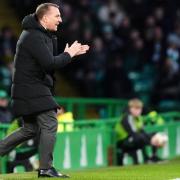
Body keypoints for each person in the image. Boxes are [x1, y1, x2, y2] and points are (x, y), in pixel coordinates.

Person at [0, 3, 89, 178]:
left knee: (30, 129)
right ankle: (45, 168)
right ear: (45, 18)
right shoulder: (33, 36)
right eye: (57, 16)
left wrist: (67, 55)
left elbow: (49, 65)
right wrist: (68, 54)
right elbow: (49, 64)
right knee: (50, 122)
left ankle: (44, 167)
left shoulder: (41, 35)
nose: (60, 20)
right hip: (31, 89)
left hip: (28, 89)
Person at [115, 98, 164, 165]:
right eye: (136, 109)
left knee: (154, 135)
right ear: (130, 109)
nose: (138, 111)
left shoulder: (139, 118)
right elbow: (132, 133)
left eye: (140, 109)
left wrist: (153, 137)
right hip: (123, 141)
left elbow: (142, 131)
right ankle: (146, 159)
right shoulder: (126, 118)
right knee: (141, 138)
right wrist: (150, 141)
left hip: (134, 139)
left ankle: (153, 157)